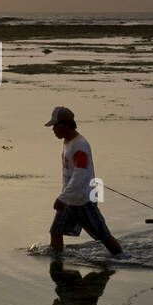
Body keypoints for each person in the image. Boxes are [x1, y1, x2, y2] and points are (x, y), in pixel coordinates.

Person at [44, 106, 122, 256]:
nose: (53, 129)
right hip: (70, 198)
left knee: (103, 236)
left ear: (66, 125)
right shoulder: (67, 142)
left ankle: (121, 257)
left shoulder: (80, 145)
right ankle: (57, 264)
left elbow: (80, 175)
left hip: (83, 199)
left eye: (56, 125)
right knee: (55, 232)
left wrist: (62, 198)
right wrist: (65, 197)